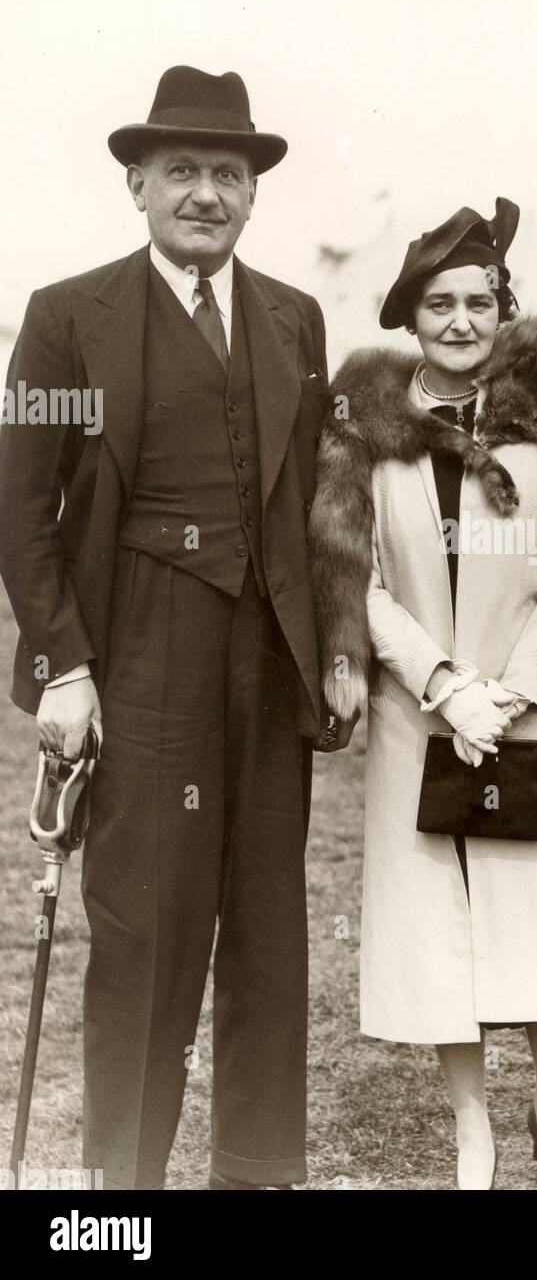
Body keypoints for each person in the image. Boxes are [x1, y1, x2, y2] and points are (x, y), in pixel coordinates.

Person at [0, 66, 347, 1191]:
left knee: (265, 930)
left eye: (229, 175)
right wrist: (63, 666)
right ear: (137, 183)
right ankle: (124, 1191)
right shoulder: (64, 317)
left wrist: (335, 645)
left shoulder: (296, 316)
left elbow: (320, 506)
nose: (207, 193)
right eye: (184, 171)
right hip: (139, 652)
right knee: (146, 934)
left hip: (270, 655)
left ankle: (255, 1172)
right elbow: (17, 504)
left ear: (253, 196)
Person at [309, 199, 537, 1189]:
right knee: (438, 925)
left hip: (527, 705)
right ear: (409, 316)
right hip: (418, 709)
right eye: (439, 303)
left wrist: (511, 693)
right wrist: (441, 685)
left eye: (480, 302)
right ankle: (471, 1124)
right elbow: (355, 575)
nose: (462, 321)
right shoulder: (364, 433)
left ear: (502, 310)